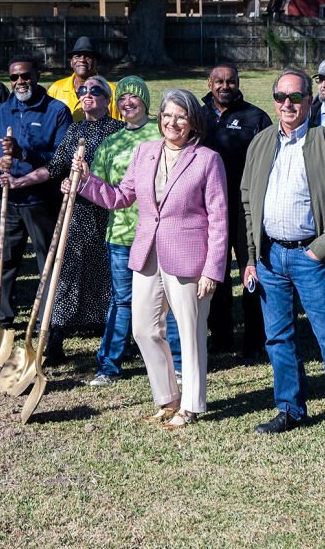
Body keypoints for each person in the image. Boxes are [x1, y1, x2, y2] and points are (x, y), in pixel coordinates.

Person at [67, 88, 227, 428]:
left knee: (189, 331)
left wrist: (213, 268)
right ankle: (167, 397)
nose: (173, 122)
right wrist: (85, 181)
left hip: (188, 258)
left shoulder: (207, 159)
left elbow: (219, 218)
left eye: (181, 116)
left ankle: (192, 405)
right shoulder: (145, 152)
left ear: (193, 122)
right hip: (146, 253)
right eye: (167, 115)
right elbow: (122, 196)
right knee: (142, 328)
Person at [239, 70, 325, 451]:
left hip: (311, 256)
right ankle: (291, 409)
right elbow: (248, 206)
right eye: (280, 97)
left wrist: (321, 249)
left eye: (295, 97)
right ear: (274, 100)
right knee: (278, 338)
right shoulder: (261, 143)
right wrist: (250, 256)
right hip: (270, 258)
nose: (288, 104)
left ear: (310, 100)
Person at [89, 77, 181, 386]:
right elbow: (103, 189)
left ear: (145, 101)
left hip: (160, 233)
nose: (129, 101)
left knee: (169, 298)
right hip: (121, 235)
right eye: (123, 97)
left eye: (135, 96)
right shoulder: (111, 144)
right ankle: (109, 365)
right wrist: (80, 182)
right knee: (123, 300)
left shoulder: (162, 132)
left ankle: (178, 363)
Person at [21, 74, 119, 363]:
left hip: (108, 213)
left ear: (107, 99)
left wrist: (88, 179)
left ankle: (112, 340)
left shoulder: (117, 131)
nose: (88, 94)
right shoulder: (75, 131)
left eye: (96, 91)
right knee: (66, 273)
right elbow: (54, 168)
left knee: (106, 278)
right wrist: (20, 181)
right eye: (84, 90)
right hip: (77, 215)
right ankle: (54, 342)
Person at [0, 57, 71, 328]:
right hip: (4, 198)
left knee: (48, 262)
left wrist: (23, 153)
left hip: (40, 199)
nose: (20, 82)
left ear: (37, 75)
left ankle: (47, 322)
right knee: (1, 261)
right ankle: (1, 320)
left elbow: (60, 160)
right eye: (15, 77)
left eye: (26, 76)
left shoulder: (56, 111)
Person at [199, 63, 271, 359]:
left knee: (251, 273)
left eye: (230, 81)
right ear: (210, 83)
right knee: (214, 274)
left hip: (245, 209)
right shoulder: (197, 114)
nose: (224, 86)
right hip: (206, 209)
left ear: (238, 83)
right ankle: (221, 336)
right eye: (218, 81)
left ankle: (255, 340)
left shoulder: (255, 117)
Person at [46, 37, 121, 120]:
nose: (82, 60)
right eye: (77, 56)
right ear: (71, 62)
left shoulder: (111, 91)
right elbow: (47, 121)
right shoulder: (56, 89)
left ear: (96, 62)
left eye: (88, 56)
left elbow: (122, 128)